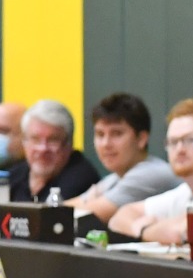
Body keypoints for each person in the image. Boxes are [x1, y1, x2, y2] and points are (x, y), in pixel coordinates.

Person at [109, 98, 193, 243]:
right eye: (173, 142)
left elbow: (183, 233)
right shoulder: (186, 190)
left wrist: (144, 229)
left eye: (191, 139)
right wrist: (152, 229)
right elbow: (119, 218)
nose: (179, 149)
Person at [68, 93, 176, 223]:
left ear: (141, 139)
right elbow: (60, 209)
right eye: (100, 134)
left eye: (116, 134)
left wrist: (89, 203)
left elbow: (86, 214)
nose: (106, 144)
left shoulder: (151, 174)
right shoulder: (113, 179)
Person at [6, 100, 100, 203]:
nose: (43, 149)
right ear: (24, 141)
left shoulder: (81, 178)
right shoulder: (14, 175)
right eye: (35, 139)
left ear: (70, 144)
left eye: (53, 140)